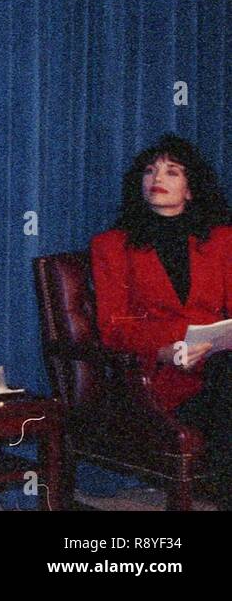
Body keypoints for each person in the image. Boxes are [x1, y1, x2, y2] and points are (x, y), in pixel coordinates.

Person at [90, 133, 232, 509]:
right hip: (157, 375)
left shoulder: (222, 240)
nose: (158, 177)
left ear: (191, 189)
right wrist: (167, 349)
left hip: (217, 362)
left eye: (172, 171)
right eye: (150, 170)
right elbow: (114, 327)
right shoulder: (111, 245)